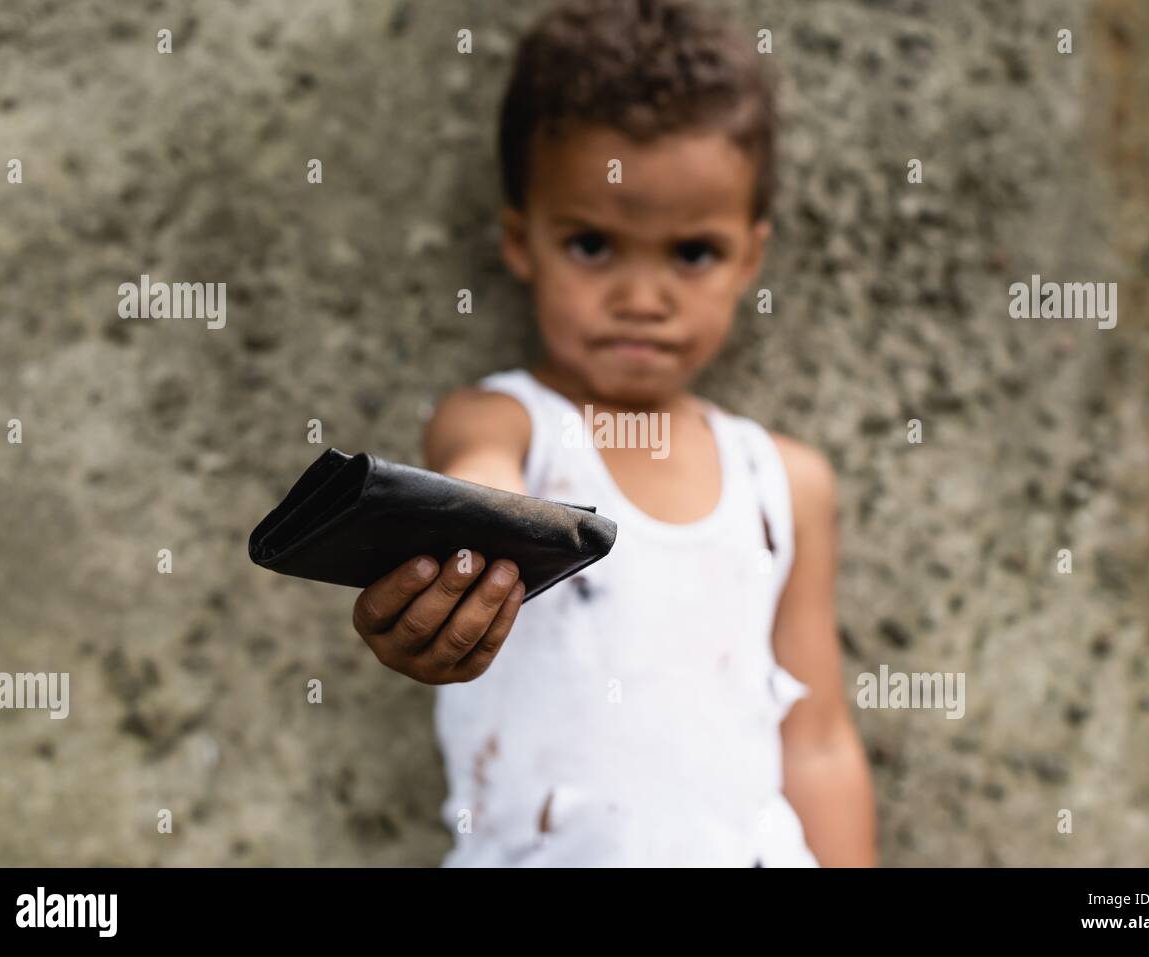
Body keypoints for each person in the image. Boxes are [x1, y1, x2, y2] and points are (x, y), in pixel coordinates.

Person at [349, 0, 876, 866]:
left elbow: (816, 740)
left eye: (692, 253)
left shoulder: (784, 485)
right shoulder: (509, 425)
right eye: (593, 245)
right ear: (522, 241)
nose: (642, 296)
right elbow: (480, 496)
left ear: (750, 257)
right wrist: (447, 589)